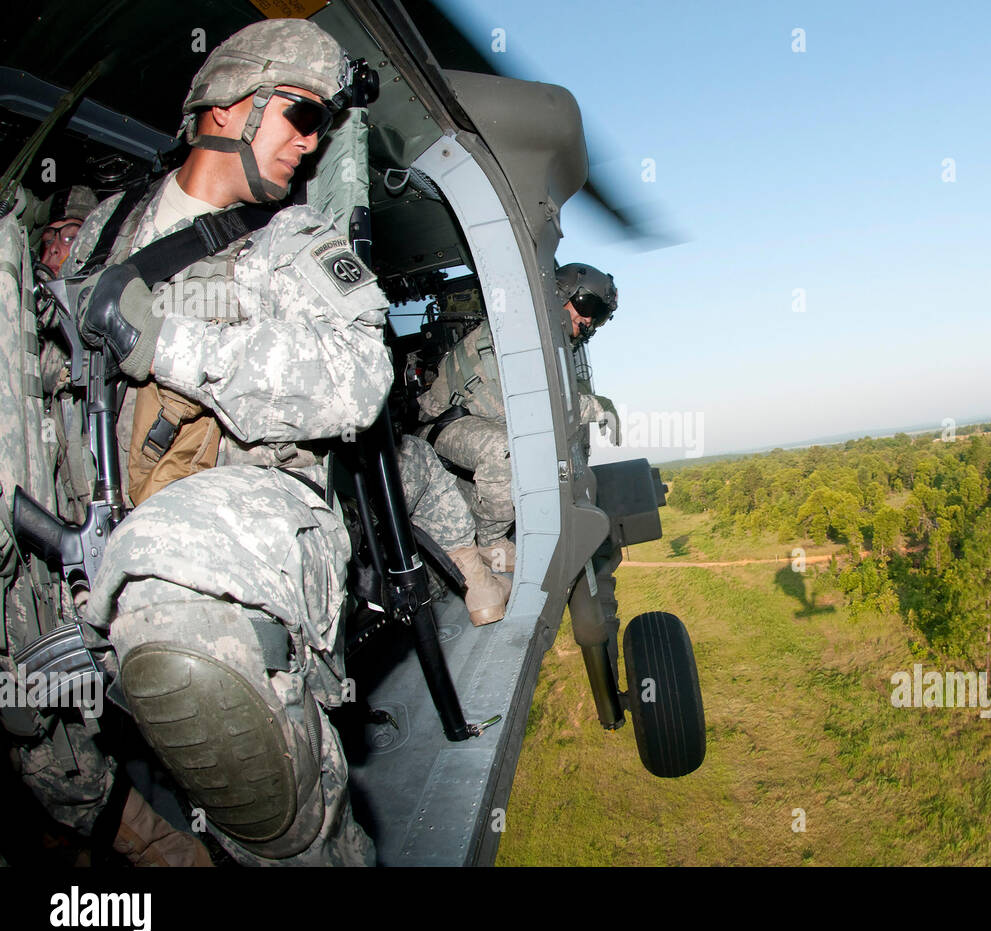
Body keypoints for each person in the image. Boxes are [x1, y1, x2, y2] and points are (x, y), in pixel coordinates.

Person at [62, 18, 394, 866]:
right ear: (230, 106)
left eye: (322, 127)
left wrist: (168, 337)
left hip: (251, 524)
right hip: (83, 524)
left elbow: (359, 383)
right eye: (303, 117)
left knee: (189, 634)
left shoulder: (297, 244)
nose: (311, 148)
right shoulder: (102, 235)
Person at [1, 182, 213, 865]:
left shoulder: (121, 323)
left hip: (123, 548)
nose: (56, 245)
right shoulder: (30, 336)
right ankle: (138, 839)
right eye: (50, 235)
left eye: (69, 231)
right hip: (45, 561)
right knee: (46, 721)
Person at [417, 262, 621, 571]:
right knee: (506, 452)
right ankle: (491, 543)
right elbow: (532, 408)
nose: (589, 319)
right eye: (587, 304)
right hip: (442, 424)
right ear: (559, 294)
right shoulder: (521, 329)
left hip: (475, 422)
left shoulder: (551, 342)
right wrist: (597, 407)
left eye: (600, 316)